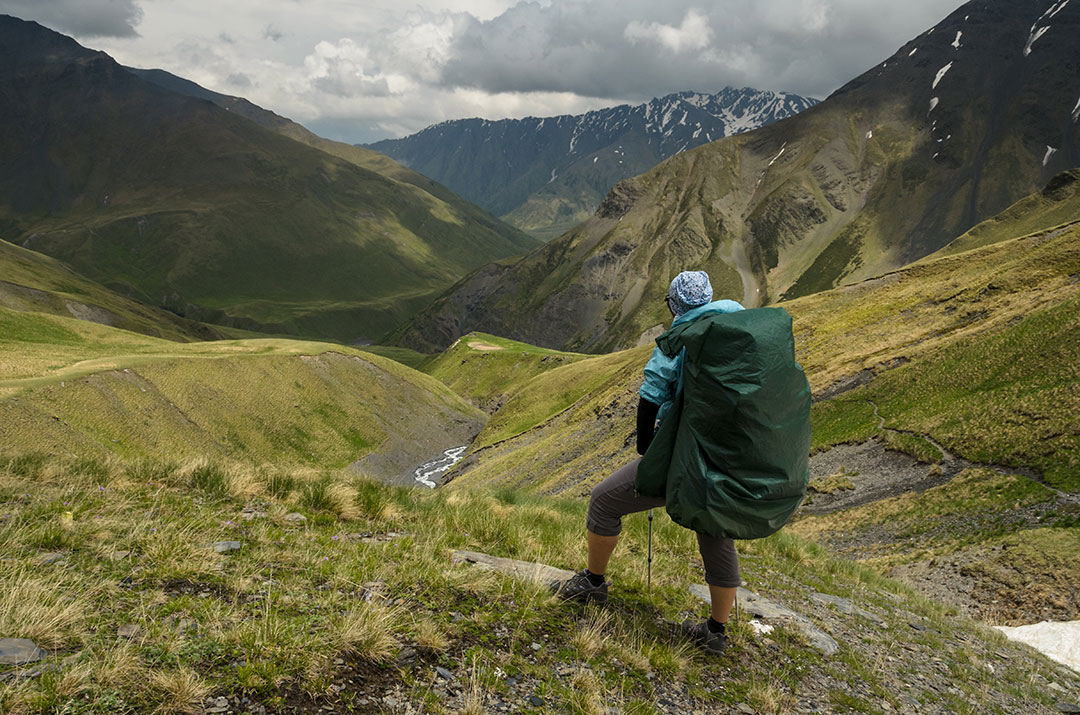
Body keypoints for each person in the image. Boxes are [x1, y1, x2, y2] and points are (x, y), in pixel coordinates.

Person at [551, 270, 744, 655]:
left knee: (604, 500)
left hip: (684, 452)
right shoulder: (739, 326)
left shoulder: (680, 338)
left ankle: (593, 584)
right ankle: (716, 632)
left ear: (675, 304)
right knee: (714, 528)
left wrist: (647, 449)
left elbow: (651, 396)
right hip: (727, 453)